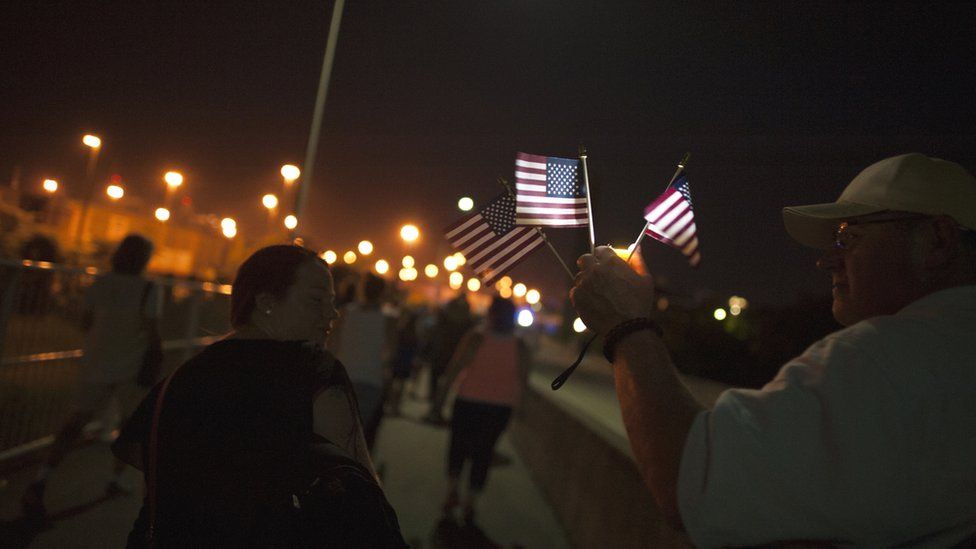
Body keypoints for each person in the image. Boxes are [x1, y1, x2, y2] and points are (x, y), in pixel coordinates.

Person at [569, 153, 976, 547]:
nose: (827, 261)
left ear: (938, 242)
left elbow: (690, 478)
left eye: (848, 237)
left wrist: (627, 326)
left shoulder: (885, 360)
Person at [110, 245, 398, 546]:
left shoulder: (185, 374)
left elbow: (145, 463)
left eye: (333, 302)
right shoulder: (314, 372)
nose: (333, 313)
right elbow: (360, 488)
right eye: (316, 301)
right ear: (266, 303)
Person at [22, 234, 161, 518]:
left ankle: (42, 479)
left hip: (96, 363)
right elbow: (151, 331)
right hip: (130, 367)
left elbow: (86, 320)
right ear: (145, 259)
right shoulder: (148, 289)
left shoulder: (102, 282)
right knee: (131, 425)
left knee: (74, 424)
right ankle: (117, 478)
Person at [435, 296, 530, 522]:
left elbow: (455, 367)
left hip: (469, 401)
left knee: (458, 445)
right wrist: (522, 407)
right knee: (484, 453)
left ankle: (452, 490)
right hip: (500, 407)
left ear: (491, 313)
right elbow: (523, 380)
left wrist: (441, 396)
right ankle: (471, 501)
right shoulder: (520, 345)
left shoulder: (477, 337)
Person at [328, 271, 396, 449]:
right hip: (371, 381)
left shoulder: (344, 314)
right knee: (358, 435)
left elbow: (331, 346)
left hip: (342, 379)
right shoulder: (388, 320)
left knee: (334, 432)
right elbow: (389, 355)